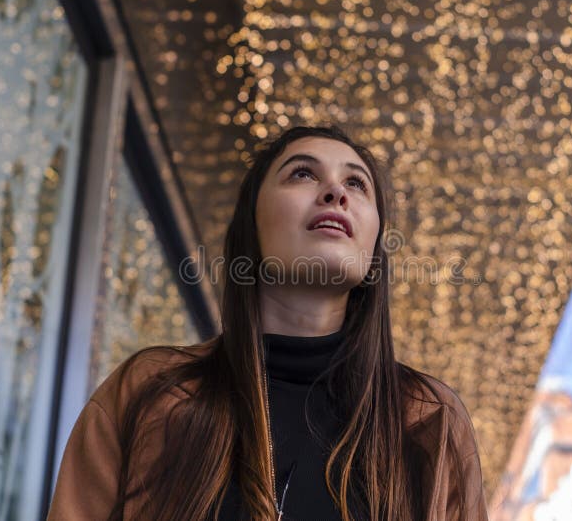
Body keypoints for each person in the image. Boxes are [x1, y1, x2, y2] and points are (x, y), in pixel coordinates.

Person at [46, 125, 488, 521]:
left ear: (374, 250)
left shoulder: (429, 420)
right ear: (251, 227)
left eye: (357, 183)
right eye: (302, 174)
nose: (336, 193)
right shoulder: (148, 392)